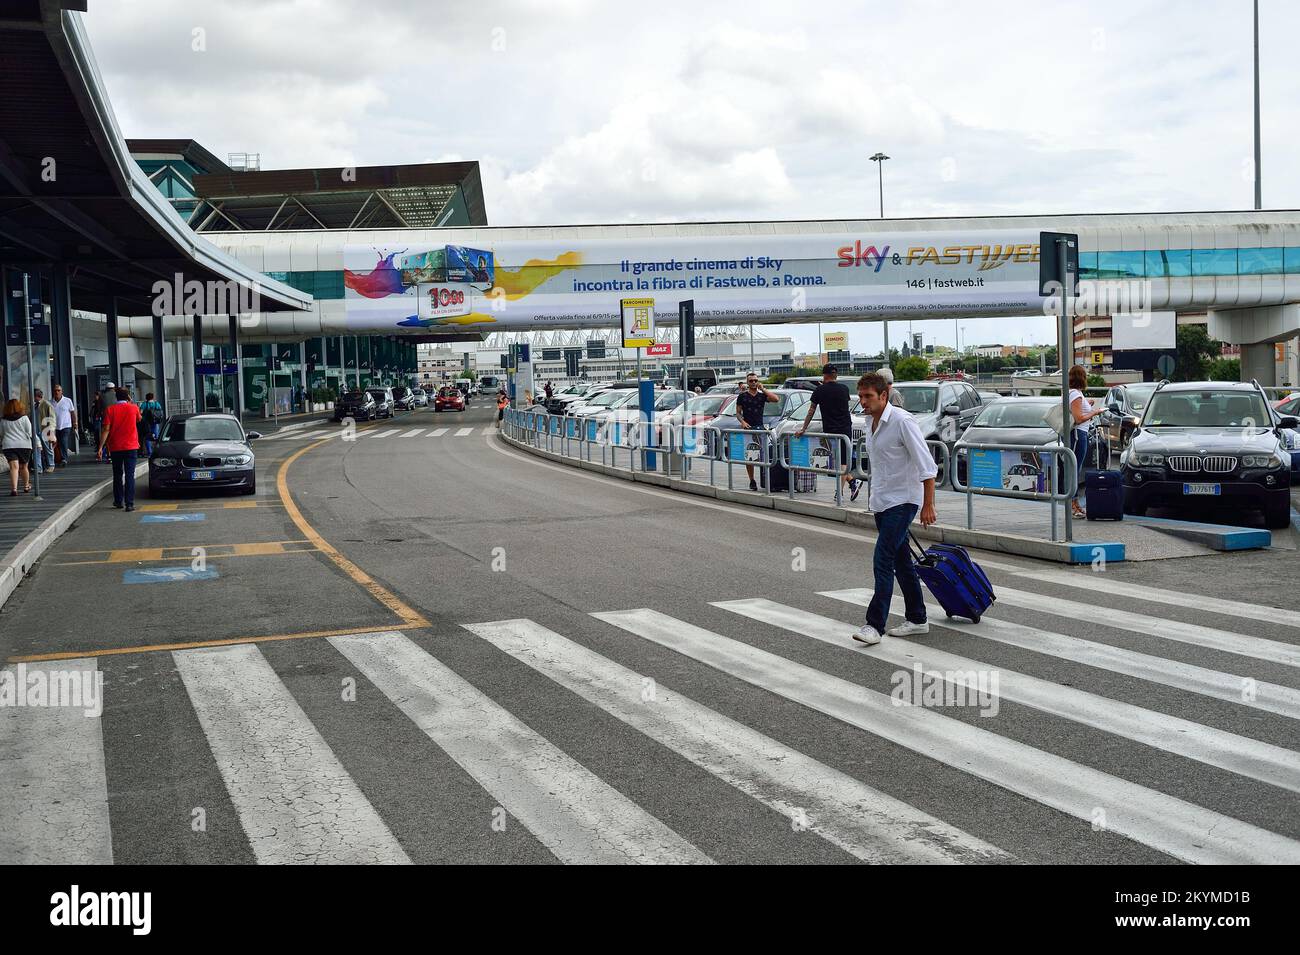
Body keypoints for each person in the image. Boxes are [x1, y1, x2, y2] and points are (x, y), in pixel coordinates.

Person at [853, 371, 938, 646]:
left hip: (904, 501)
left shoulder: (902, 421)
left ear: (883, 396)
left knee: (883, 559)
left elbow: (927, 465)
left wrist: (928, 504)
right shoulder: (870, 422)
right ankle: (918, 618)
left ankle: (874, 625)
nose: (863, 402)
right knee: (902, 563)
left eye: (868, 397)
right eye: (861, 396)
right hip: (882, 501)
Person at [796, 363, 861, 500]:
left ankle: (839, 492)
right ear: (835, 375)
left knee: (838, 461)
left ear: (824, 375)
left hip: (830, 429)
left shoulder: (819, 390)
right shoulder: (844, 389)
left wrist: (804, 428)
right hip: (845, 428)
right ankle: (852, 481)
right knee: (840, 462)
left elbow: (811, 410)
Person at [1067, 365, 1105, 519]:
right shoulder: (1075, 394)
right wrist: (1095, 412)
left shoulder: (1075, 394)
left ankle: (1075, 503)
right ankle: (1072, 505)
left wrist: (1087, 404)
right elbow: (1078, 418)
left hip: (1078, 433)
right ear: (1081, 377)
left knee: (1075, 468)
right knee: (1074, 469)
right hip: (1078, 434)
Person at [97, 387, 141, 511]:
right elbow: (139, 419)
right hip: (131, 446)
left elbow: (106, 429)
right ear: (128, 397)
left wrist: (100, 447)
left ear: (116, 397)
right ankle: (130, 503)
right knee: (130, 475)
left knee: (117, 474)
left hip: (115, 447)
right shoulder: (133, 408)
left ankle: (118, 501)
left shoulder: (110, 410)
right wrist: (131, 401)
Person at [736, 372, 776, 491]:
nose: (753, 383)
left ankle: (765, 479)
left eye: (755, 380)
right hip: (748, 428)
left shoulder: (761, 396)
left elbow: (776, 399)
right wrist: (742, 422)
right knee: (750, 456)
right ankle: (752, 480)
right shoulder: (742, 396)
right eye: (751, 381)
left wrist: (763, 389)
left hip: (760, 428)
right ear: (747, 383)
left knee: (764, 456)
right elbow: (738, 413)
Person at [2, 398, 34, 495]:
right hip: (24, 445)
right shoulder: (24, 418)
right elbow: (30, 432)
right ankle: (26, 486)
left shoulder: (3, 420)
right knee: (24, 467)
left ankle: (14, 489)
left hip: (9, 445)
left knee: (13, 467)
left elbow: (1, 433)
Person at [51, 383, 77, 467]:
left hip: (66, 425)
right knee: (55, 443)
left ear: (62, 392)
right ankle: (57, 458)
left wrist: (75, 423)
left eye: (59, 390)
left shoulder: (67, 400)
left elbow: (72, 413)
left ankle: (64, 459)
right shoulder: (50, 402)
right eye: (55, 391)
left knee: (63, 441)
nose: (57, 392)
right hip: (55, 427)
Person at [32, 388, 55, 474]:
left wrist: (51, 431)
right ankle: (38, 468)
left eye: (33, 396)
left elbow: (52, 418)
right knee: (37, 449)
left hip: (45, 430)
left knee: (47, 448)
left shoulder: (46, 404)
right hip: (36, 430)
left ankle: (51, 465)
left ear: (38, 396)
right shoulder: (34, 405)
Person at [139, 392, 163, 456]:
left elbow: (140, 412)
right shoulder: (156, 403)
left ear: (146, 398)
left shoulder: (144, 404)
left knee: (147, 437)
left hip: (147, 423)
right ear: (153, 397)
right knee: (156, 437)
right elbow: (160, 411)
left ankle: (149, 452)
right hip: (155, 422)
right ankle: (157, 451)